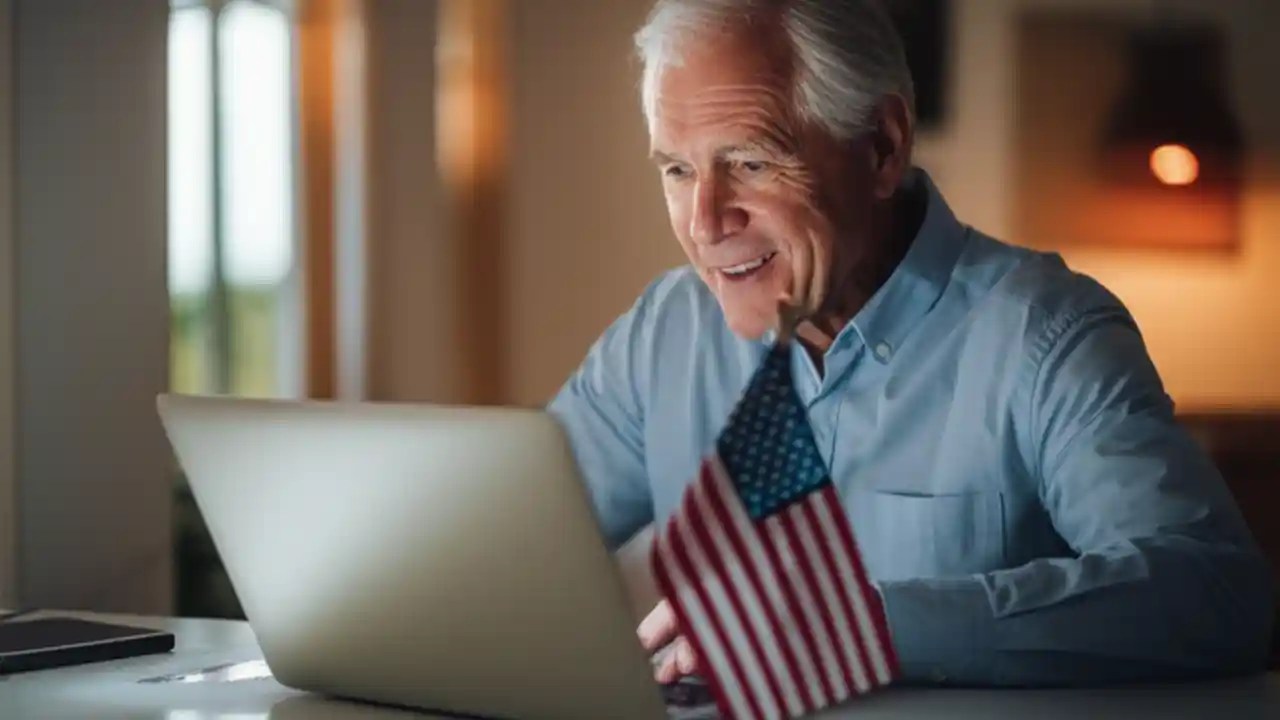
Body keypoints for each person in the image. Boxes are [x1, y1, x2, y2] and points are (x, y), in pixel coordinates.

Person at [548, 0, 1274, 687]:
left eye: (751, 163)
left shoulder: (1043, 334)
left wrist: (862, 627)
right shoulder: (663, 335)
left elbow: (1215, 594)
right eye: (677, 169)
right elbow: (506, 542)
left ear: (882, 149)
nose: (705, 223)